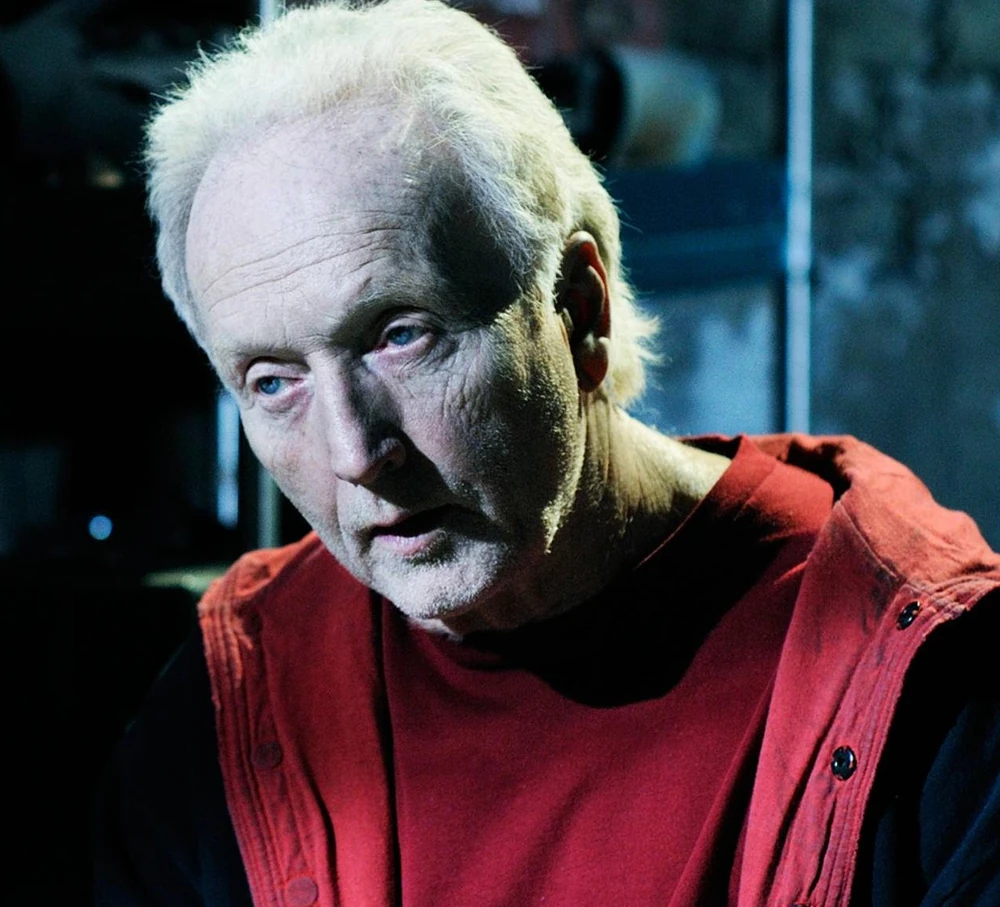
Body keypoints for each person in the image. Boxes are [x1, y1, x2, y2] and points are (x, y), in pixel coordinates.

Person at [93, 1, 1000, 905]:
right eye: (273, 382)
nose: (355, 451)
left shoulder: (938, 685)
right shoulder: (222, 716)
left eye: (402, 335)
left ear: (578, 307)